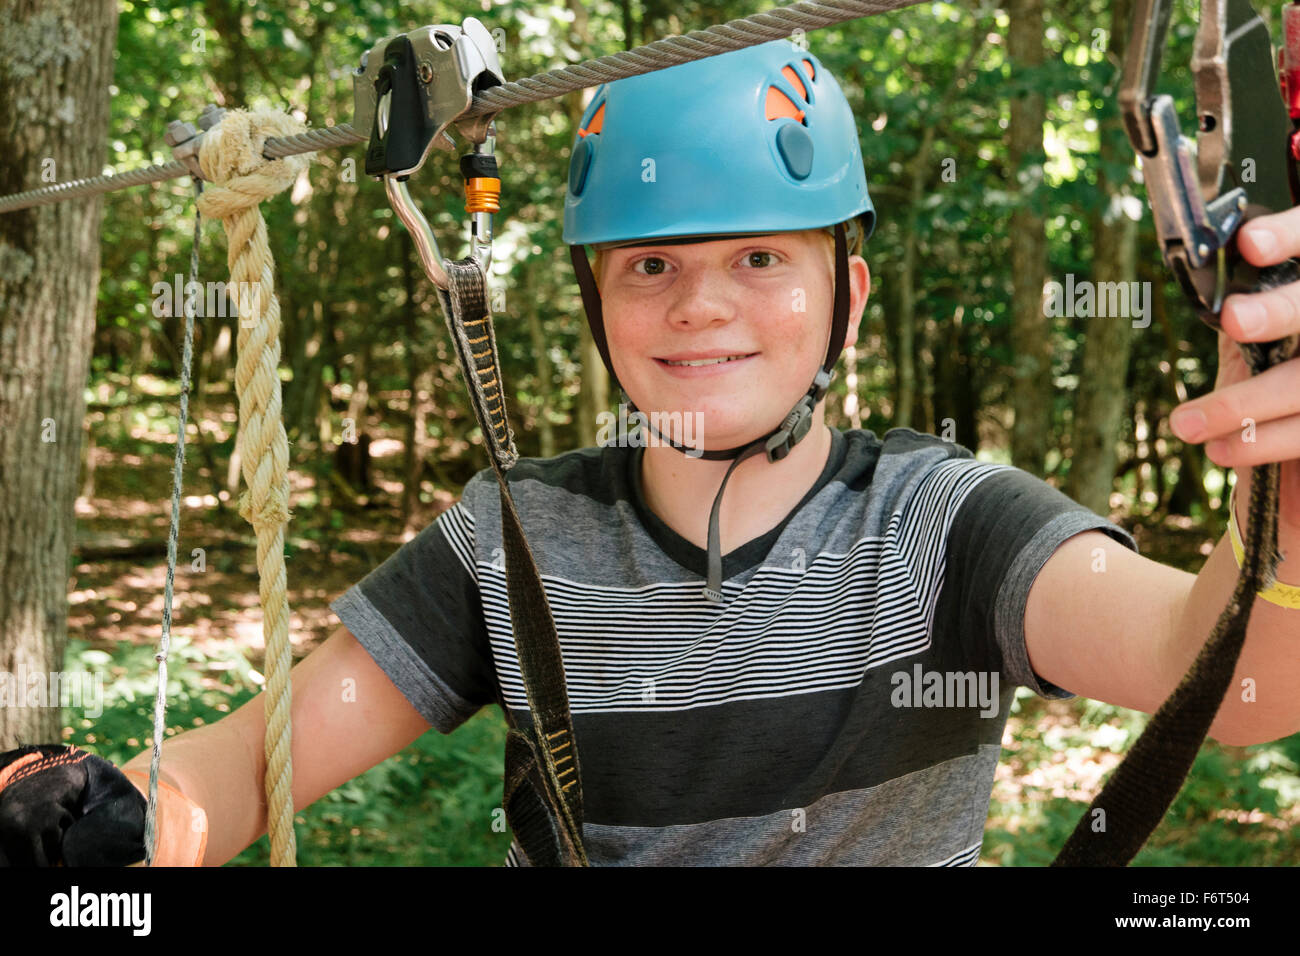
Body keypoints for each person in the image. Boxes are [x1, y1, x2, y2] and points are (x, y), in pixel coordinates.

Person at [4, 40, 1299, 868]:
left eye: (758, 257)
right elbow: (243, 765)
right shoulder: (518, 540)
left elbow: (1234, 689)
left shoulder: (945, 524)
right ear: (596, 304)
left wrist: (1285, 523)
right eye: (651, 264)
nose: (702, 306)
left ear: (848, 300)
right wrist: (105, 820)